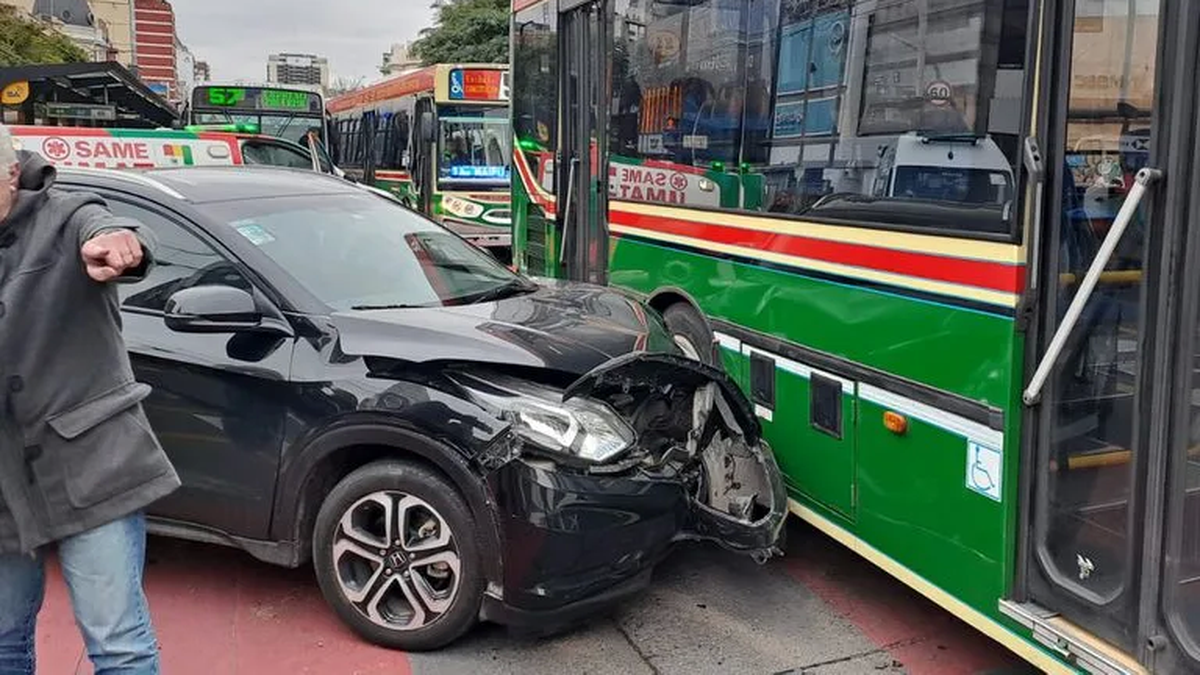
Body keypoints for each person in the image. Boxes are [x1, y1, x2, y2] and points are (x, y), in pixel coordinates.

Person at [0, 124, 180, 675]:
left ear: (10, 173)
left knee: (117, 642)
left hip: (92, 467)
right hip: (2, 485)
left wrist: (124, 245)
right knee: (3, 641)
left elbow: (111, 229)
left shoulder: (67, 215)